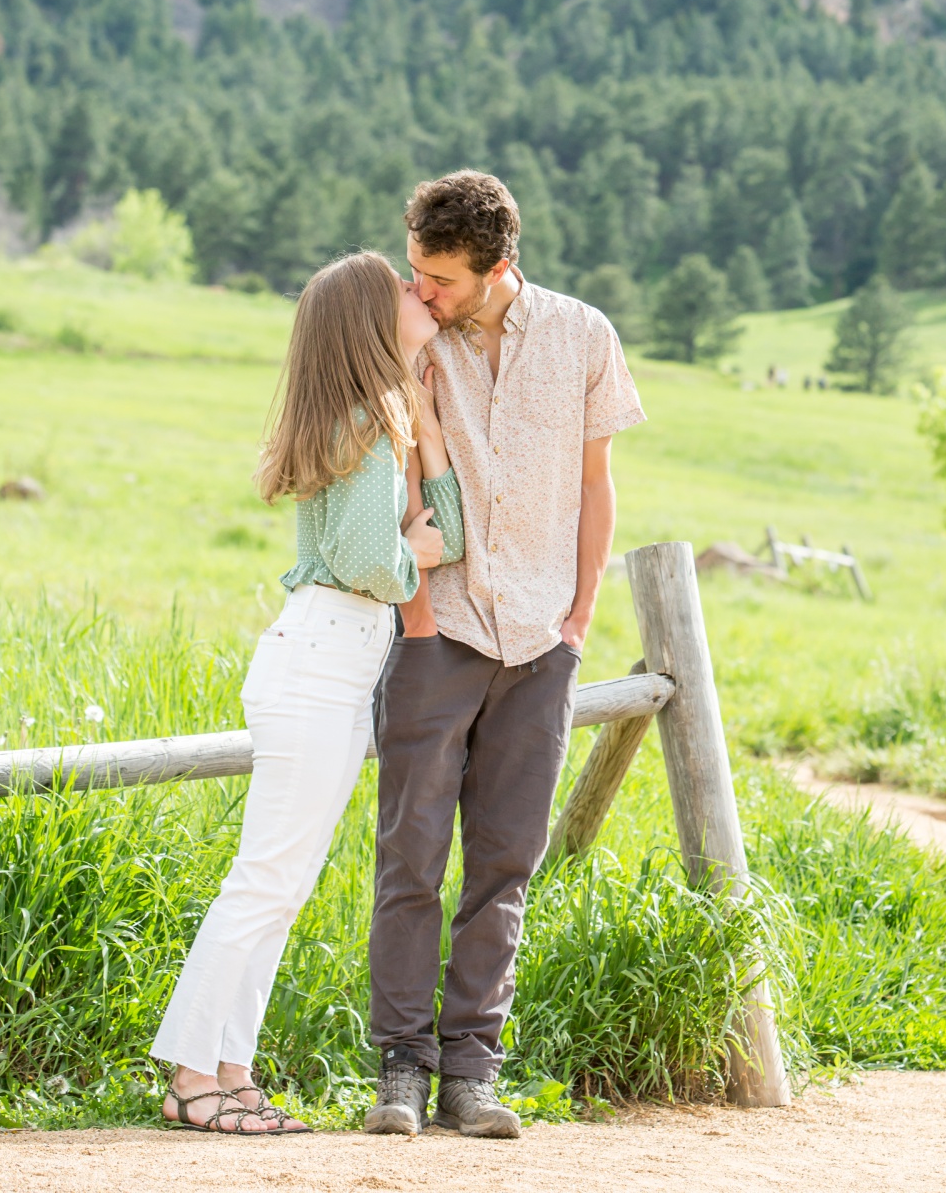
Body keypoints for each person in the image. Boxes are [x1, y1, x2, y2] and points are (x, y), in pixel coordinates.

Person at [152, 250, 464, 1134]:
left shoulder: (373, 419)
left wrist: (430, 440)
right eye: (401, 286)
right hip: (323, 656)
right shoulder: (363, 425)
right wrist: (414, 555)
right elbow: (378, 561)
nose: (417, 290)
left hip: (331, 656)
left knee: (281, 887)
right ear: (370, 321)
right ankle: (191, 1078)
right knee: (265, 881)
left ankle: (230, 1071)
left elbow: (448, 534)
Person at [365, 172, 646, 1140]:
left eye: (440, 278)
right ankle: (401, 1071)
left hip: (540, 642)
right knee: (410, 858)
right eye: (416, 269)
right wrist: (415, 621)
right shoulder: (409, 335)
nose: (422, 290)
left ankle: (471, 1078)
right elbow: (394, 478)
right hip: (436, 631)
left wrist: (579, 619)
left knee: (504, 867)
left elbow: (597, 484)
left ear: (498, 266)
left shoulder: (583, 335)